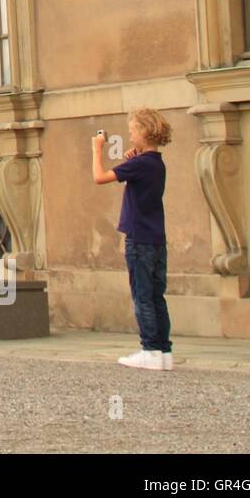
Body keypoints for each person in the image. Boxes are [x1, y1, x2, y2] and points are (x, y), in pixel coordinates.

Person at [92, 108, 174, 371]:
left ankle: (149, 350)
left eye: (131, 131)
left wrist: (97, 149)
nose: (129, 136)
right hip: (156, 239)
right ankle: (163, 351)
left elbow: (99, 178)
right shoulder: (155, 163)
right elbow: (136, 179)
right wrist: (133, 158)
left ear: (143, 132)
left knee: (142, 297)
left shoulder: (139, 164)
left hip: (138, 239)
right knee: (156, 296)